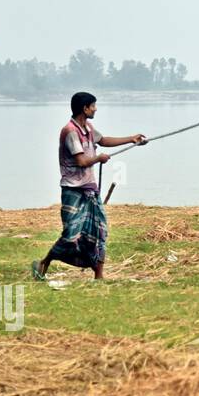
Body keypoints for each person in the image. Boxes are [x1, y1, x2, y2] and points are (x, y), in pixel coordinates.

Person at [31, 92, 147, 281]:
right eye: (93, 106)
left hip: (90, 189)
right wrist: (98, 158)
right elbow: (82, 161)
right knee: (70, 234)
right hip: (72, 189)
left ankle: (99, 276)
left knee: (99, 230)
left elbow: (104, 140)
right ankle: (45, 262)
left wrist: (132, 139)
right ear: (84, 109)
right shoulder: (70, 131)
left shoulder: (88, 127)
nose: (95, 109)